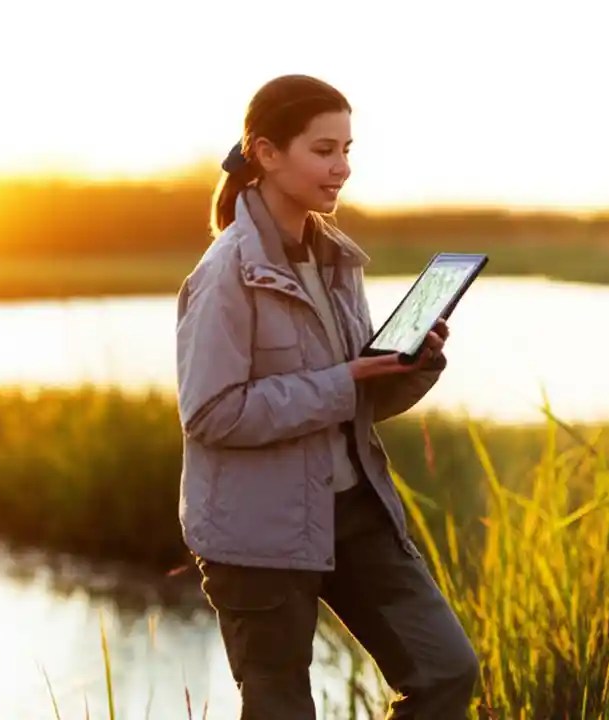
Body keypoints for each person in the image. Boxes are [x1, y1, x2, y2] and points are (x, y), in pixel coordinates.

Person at [174, 74, 479, 719]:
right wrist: (346, 380)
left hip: (354, 512)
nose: (342, 168)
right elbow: (211, 413)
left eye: (347, 148)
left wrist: (410, 366)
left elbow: (353, 403)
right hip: (257, 535)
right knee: (281, 709)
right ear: (265, 153)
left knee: (448, 670)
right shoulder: (224, 273)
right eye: (323, 150)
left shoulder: (335, 259)